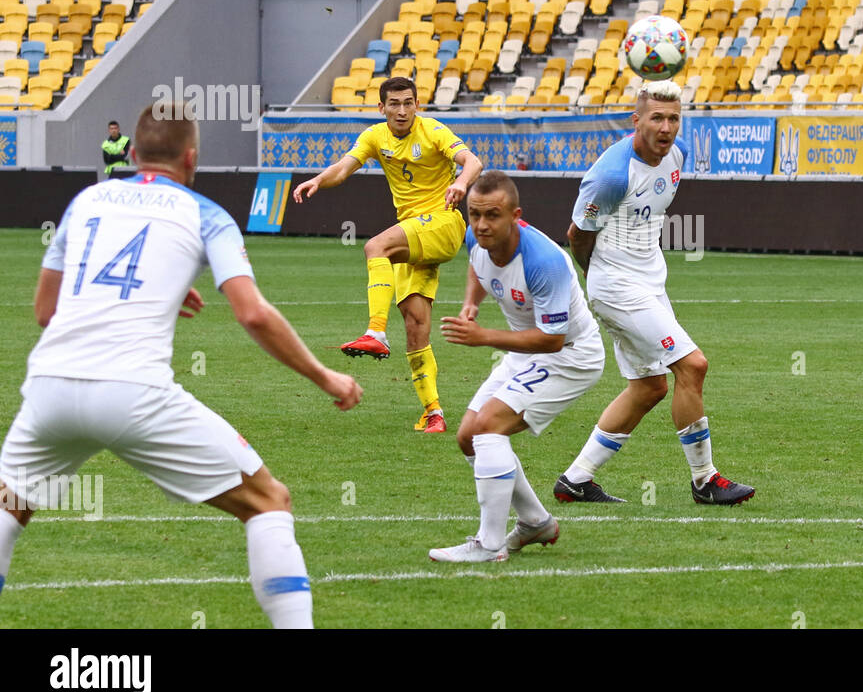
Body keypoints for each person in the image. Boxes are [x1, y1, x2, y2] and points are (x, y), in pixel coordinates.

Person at [0, 103, 362, 628]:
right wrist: (326, 375)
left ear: (132, 152)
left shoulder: (86, 200)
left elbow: (44, 311)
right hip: (134, 393)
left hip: (50, 387)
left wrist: (157, 284)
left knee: (10, 507)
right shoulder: (205, 213)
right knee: (268, 501)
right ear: (191, 158)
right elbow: (253, 313)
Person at [558, 80, 754, 505]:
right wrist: (601, 280)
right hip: (617, 288)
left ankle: (576, 479)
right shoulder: (611, 176)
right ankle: (705, 480)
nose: (666, 128)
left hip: (649, 283)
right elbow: (577, 235)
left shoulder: (676, 157)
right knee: (693, 366)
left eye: (674, 118)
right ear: (636, 120)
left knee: (649, 388)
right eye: (657, 118)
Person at [430, 171, 605, 561]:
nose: (481, 224)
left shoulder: (545, 262)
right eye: (474, 214)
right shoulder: (477, 237)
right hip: (528, 351)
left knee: (489, 427)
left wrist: (483, 336)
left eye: (492, 215)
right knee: (468, 436)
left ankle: (489, 545)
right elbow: (478, 266)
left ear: (516, 215)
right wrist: (471, 303)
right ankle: (535, 522)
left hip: (571, 356)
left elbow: (551, 340)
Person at [292, 76, 482, 434]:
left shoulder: (433, 131)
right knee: (415, 325)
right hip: (415, 233)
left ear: (417, 104)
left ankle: (375, 332)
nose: (402, 110)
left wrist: (460, 182)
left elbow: (472, 161)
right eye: (394, 103)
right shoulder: (374, 136)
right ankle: (433, 413)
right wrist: (318, 179)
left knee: (375, 246)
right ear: (381, 108)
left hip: (443, 223)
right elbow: (344, 167)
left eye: (408, 102)